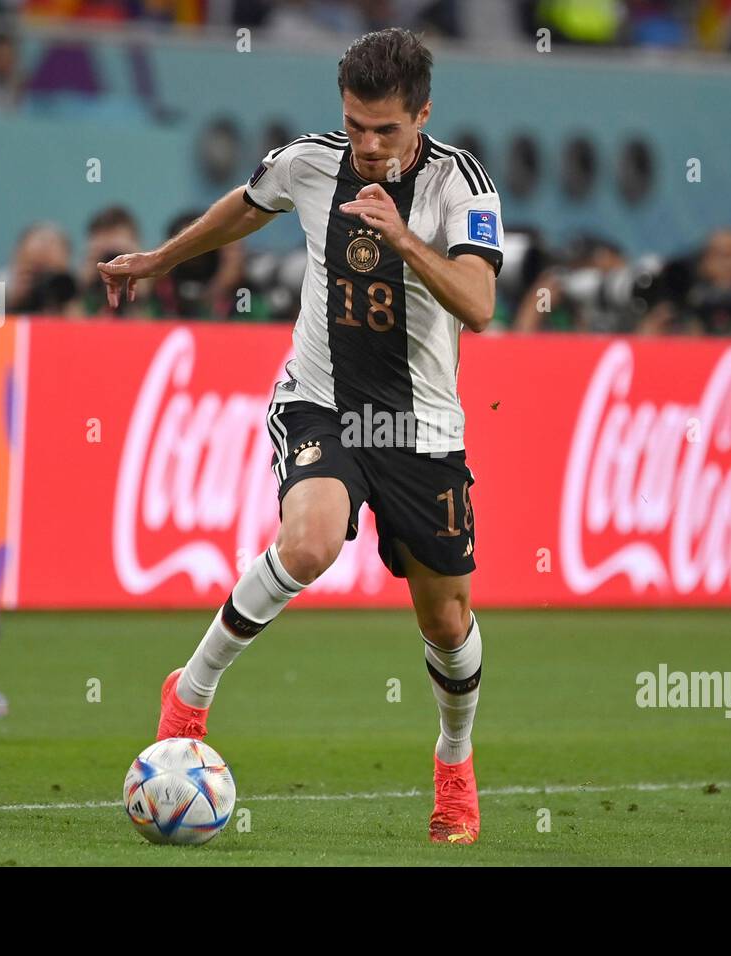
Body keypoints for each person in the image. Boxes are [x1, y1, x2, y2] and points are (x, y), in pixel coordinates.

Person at [98, 27, 502, 845]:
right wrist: (160, 261)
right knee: (310, 542)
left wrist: (402, 239)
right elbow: (243, 210)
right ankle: (193, 689)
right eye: (356, 124)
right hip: (320, 401)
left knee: (447, 623)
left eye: (386, 128)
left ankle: (453, 762)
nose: (369, 144)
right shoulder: (309, 161)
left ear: (423, 114)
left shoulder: (465, 187)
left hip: (422, 426)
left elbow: (480, 303)